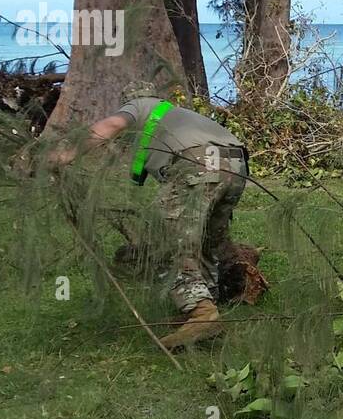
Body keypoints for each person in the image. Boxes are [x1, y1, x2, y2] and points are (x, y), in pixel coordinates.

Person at [49, 80, 249, 349]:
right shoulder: (177, 116)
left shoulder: (142, 106)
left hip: (199, 163)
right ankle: (206, 307)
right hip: (236, 162)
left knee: (166, 240)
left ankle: (201, 314)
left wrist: (63, 155)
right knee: (204, 241)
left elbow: (110, 126)